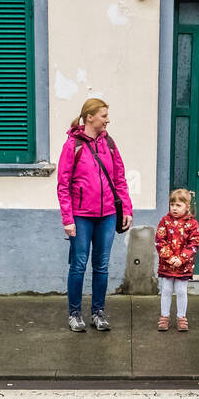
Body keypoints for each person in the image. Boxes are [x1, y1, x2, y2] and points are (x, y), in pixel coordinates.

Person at [56, 97, 133, 333]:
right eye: (103, 115)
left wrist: (126, 209)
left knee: (101, 265)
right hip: (81, 216)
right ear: (90, 117)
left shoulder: (109, 143)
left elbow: (119, 178)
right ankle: (75, 313)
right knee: (79, 265)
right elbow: (63, 184)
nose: (107, 120)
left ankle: (98, 312)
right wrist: (68, 219)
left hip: (108, 214)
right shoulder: (73, 145)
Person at [154, 188, 199, 332]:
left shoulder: (192, 224)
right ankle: (164, 317)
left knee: (181, 291)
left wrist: (181, 258)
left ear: (187, 206)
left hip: (183, 266)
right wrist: (170, 258)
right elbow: (160, 241)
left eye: (178, 205)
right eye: (172, 204)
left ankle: (181, 317)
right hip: (167, 265)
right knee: (166, 290)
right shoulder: (165, 221)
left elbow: (194, 243)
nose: (174, 208)